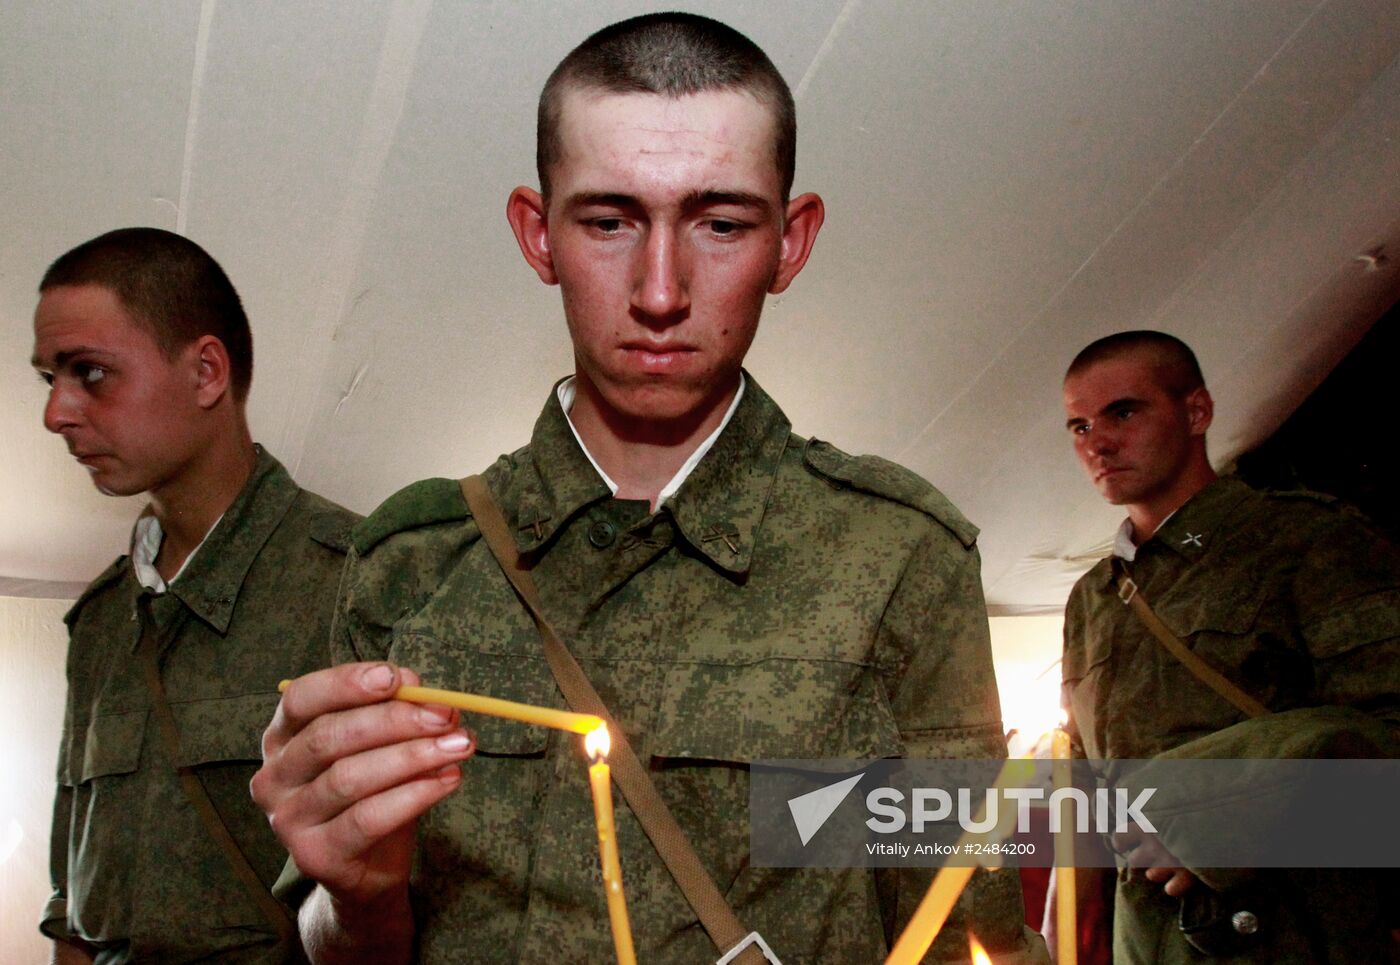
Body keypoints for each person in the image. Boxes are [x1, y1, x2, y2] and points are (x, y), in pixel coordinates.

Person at [252, 13, 1046, 965]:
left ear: (789, 245)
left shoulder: (898, 558)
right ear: (537, 234)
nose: (661, 290)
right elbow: (333, 947)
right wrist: (361, 894)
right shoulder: (412, 561)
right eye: (608, 220)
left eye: (719, 223)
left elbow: (966, 927)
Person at [32, 227, 359, 963]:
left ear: (206, 371)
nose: (56, 412)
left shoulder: (357, 584)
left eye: (89, 373)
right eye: (48, 377)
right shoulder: (100, 623)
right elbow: (74, 905)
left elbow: (402, 901)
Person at [1058, 330, 1400, 963]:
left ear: (1196, 412)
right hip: (1155, 936)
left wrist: (1214, 821)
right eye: (1078, 427)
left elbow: (1387, 742)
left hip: (1296, 930)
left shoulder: (1303, 543)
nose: (1097, 443)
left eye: (1124, 412)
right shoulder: (1092, 599)